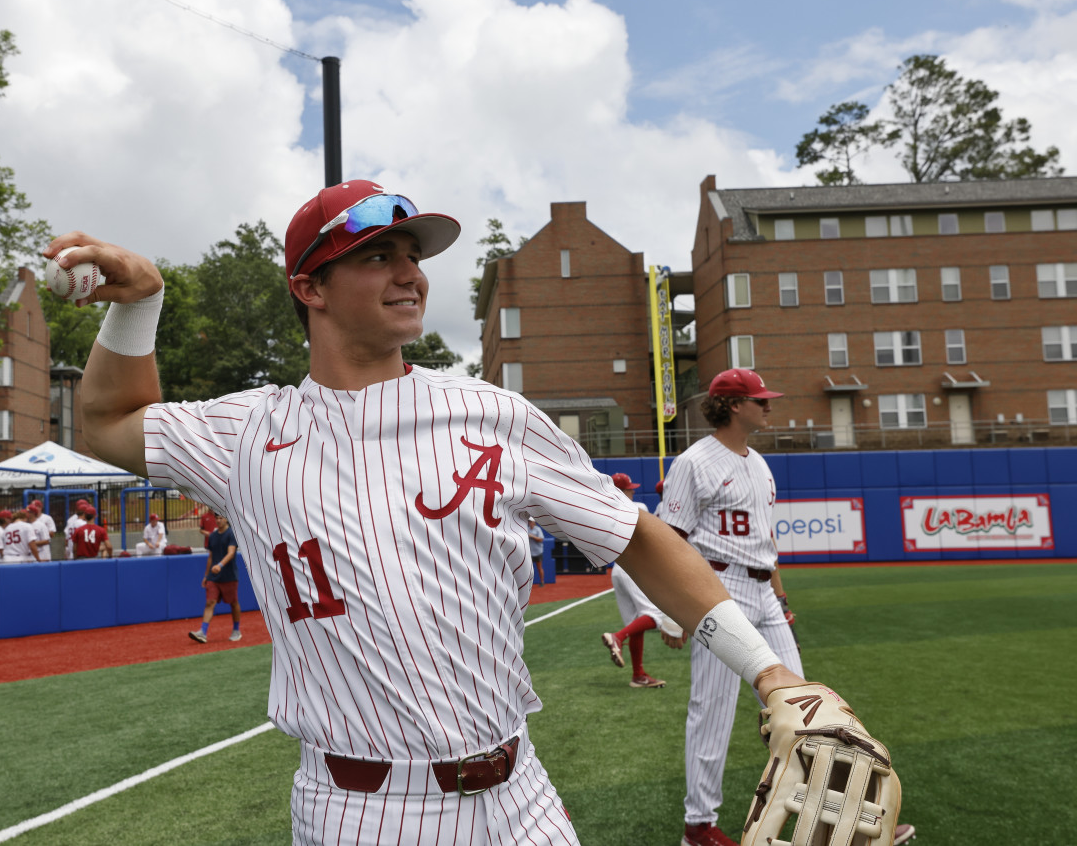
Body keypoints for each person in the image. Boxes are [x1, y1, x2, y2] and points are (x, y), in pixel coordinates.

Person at [48, 179, 811, 844]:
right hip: (362, 809)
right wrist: (143, 300)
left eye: (412, 254)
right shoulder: (246, 432)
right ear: (310, 287)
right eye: (378, 256)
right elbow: (110, 421)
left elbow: (639, 539)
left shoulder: (492, 412)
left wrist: (772, 675)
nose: (411, 273)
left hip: (521, 792)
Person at [660, 369, 914, 846]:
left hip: (761, 591)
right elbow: (669, 539)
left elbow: (766, 540)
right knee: (711, 710)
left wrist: (781, 598)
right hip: (717, 589)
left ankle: (837, 816)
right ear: (734, 405)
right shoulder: (695, 462)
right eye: (760, 400)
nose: (769, 406)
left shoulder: (758, 463)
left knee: (809, 711)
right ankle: (698, 827)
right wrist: (672, 612)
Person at [599, 472, 667, 688]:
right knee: (655, 615)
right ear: (620, 491)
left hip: (618, 569)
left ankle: (638, 675)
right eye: (629, 488)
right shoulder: (639, 507)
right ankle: (617, 637)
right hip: (634, 568)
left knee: (635, 622)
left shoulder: (604, 512)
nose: (633, 490)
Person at [189, 512, 242, 643]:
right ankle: (203, 632)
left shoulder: (231, 534)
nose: (218, 520)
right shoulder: (212, 536)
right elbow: (210, 557)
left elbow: (231, 553)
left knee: (233, 603)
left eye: (221, 518)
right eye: (217, 518)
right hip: (214, 577)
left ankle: (236, 630)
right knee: (210, 602)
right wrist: (206, 576)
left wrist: (220, 565)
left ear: (226, 519)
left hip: (229, 576)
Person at [526, 516, 545, 585]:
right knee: (529, 570)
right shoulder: (526, 529)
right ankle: (528, 584)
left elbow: (541, 539)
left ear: (534, 522)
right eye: (529, 521)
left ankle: (542, 581)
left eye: (530, 521)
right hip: (530, 553)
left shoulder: (538, 529)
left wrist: (532, 536)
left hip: (538, 552)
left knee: (539, 568)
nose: (529, 523)